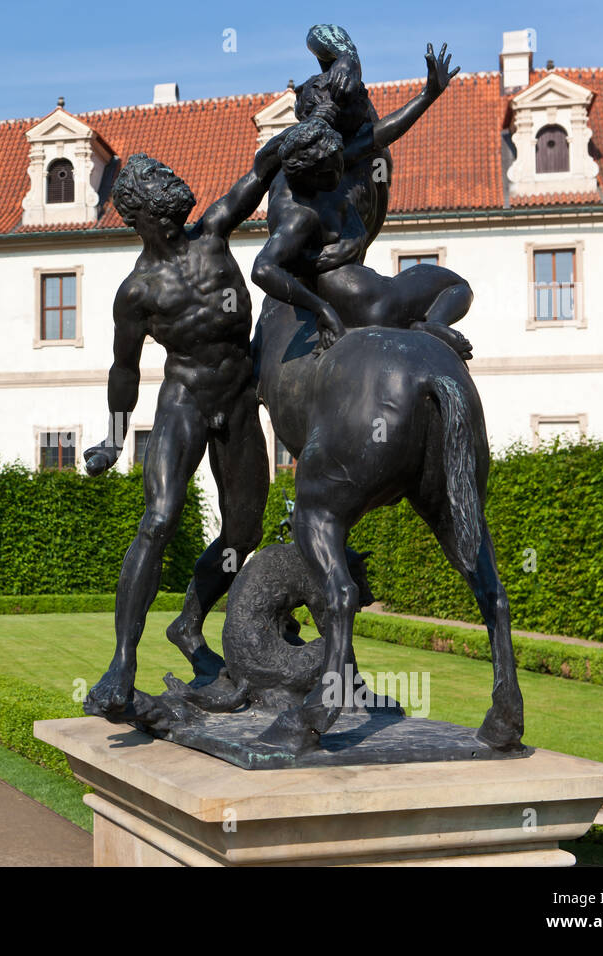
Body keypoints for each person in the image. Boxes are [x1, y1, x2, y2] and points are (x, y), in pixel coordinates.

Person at [80, 137, 284, 720]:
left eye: (177, 216)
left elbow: (260, 171)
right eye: (163, 220)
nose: (175, 226)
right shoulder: (137, 292)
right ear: (139, 220)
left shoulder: (214, 232)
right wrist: (115, 437)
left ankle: (189, 625)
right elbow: (124, 371)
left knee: (243, 533)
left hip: (240, 398)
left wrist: (300, 133)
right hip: (186, 397)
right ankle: (122, 662)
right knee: (160, 517)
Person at [252, 115, 475, 358]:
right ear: (310, 171)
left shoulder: (299, 190)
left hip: (356, 297)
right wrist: (322, 309)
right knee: (457, 285)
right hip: (374, 299)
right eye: (330, 171)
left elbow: (376, 139)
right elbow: (262, 269)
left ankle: (420, 326)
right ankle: (434, 325)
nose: (338, 175)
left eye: (340, 165)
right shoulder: (301, 216)